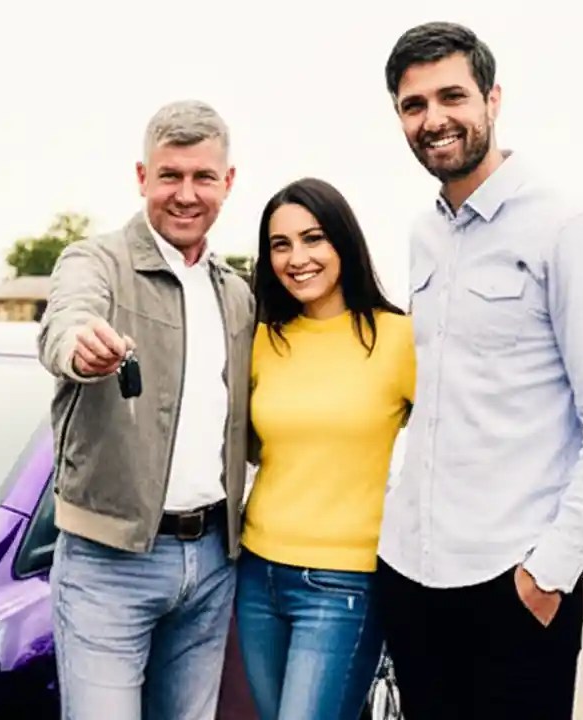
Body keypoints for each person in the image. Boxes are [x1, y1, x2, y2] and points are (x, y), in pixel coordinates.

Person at [375, 21, 583, 719]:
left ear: (492, 100)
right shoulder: (423, 235)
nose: (434, 120)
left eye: (451, 97)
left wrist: (550, 572)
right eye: (414, 105)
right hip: (413, 576)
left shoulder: (570, 232)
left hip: (514, 586)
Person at [36, 99, 257, 719]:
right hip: (108, 568)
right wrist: (82, 348)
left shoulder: (236, 294)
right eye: (170, 176)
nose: (186, 195)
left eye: (202, 177)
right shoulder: (94, 261)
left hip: (214, 560)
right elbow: (66, 323)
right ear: (142, 178)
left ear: (227, 183)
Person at [234, 177, 415, 720]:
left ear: (343, 242)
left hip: (342, 585)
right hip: (257, 574)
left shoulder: (399, 339)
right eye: (280, 244)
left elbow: (460, 446)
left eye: (313, 239)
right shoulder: (262, 341)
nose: (297, 258)